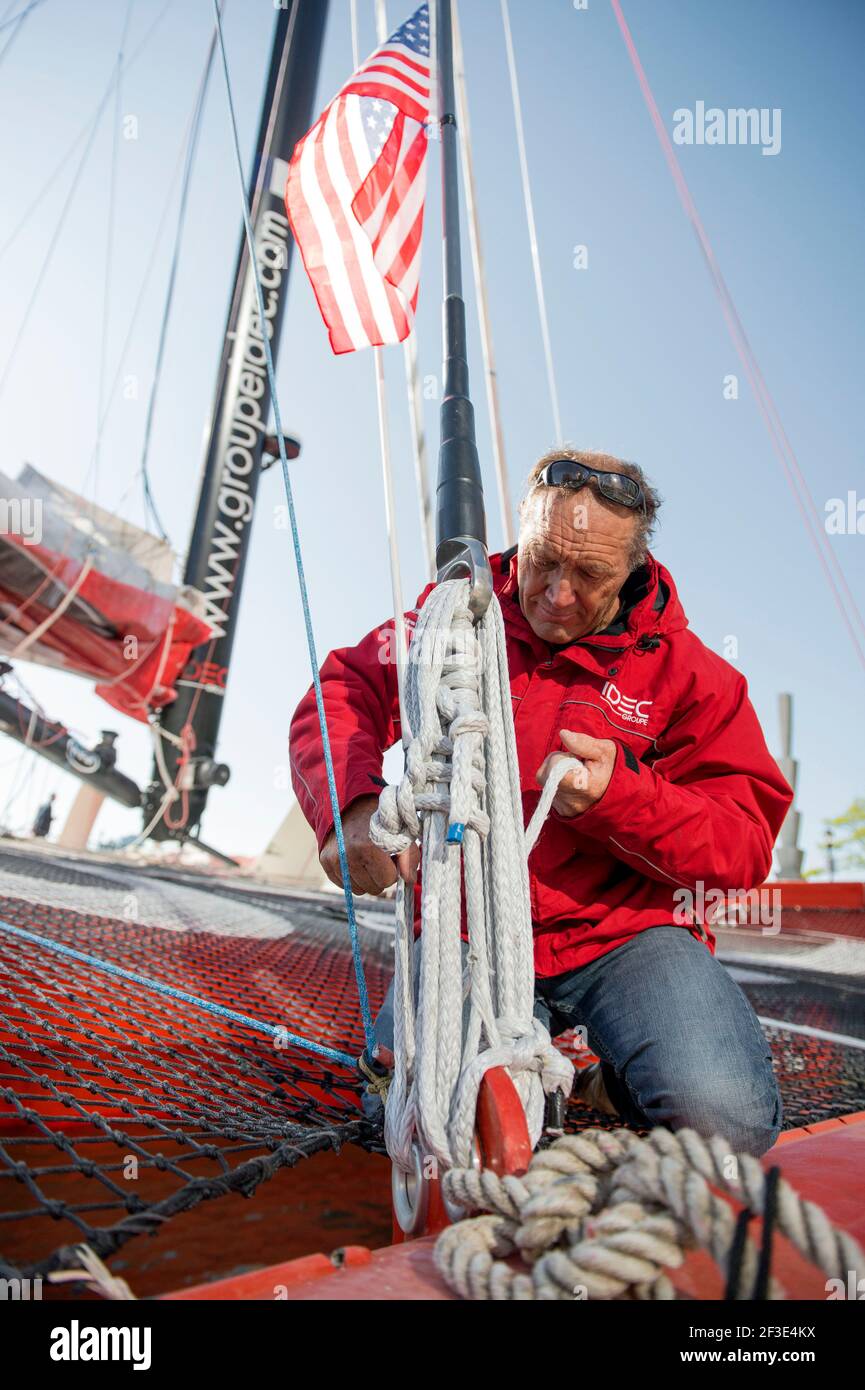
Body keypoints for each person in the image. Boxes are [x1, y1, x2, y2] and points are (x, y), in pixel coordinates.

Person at [289, 449, 793, 1155]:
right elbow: (341, 691)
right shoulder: (454, 622)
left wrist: (619, 798)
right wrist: (349, 812)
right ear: (519, 538)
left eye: (589, 575)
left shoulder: (697, 680)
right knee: (422, 1122)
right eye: (542, 561)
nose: (557, 594)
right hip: (472, 934)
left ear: (633, 569)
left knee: (723, 1120)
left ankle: (603, 1079)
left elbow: (739, 850)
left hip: (625, 936)